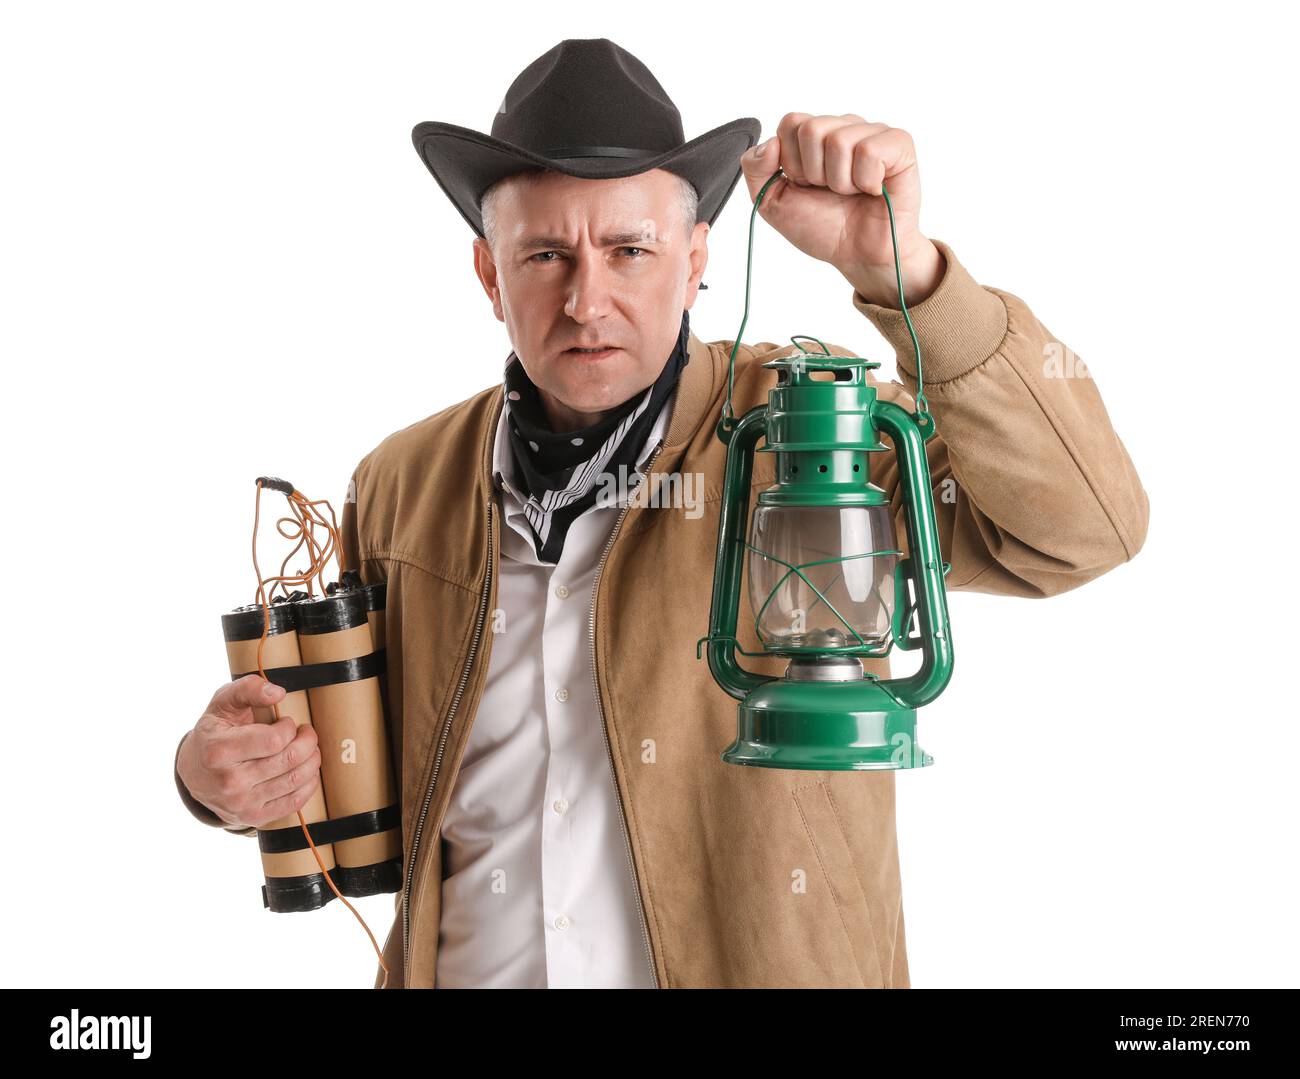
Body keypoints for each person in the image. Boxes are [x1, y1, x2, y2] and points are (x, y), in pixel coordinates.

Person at [175, 38, 1149, 988]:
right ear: (489, 275)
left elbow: (1081, 531)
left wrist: (909, 282)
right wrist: (216, 776)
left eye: (628, 250)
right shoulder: (402, 479)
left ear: (693, 262)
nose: (587, 299)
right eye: (546, 253)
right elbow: (363, 777)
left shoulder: (812, 430)